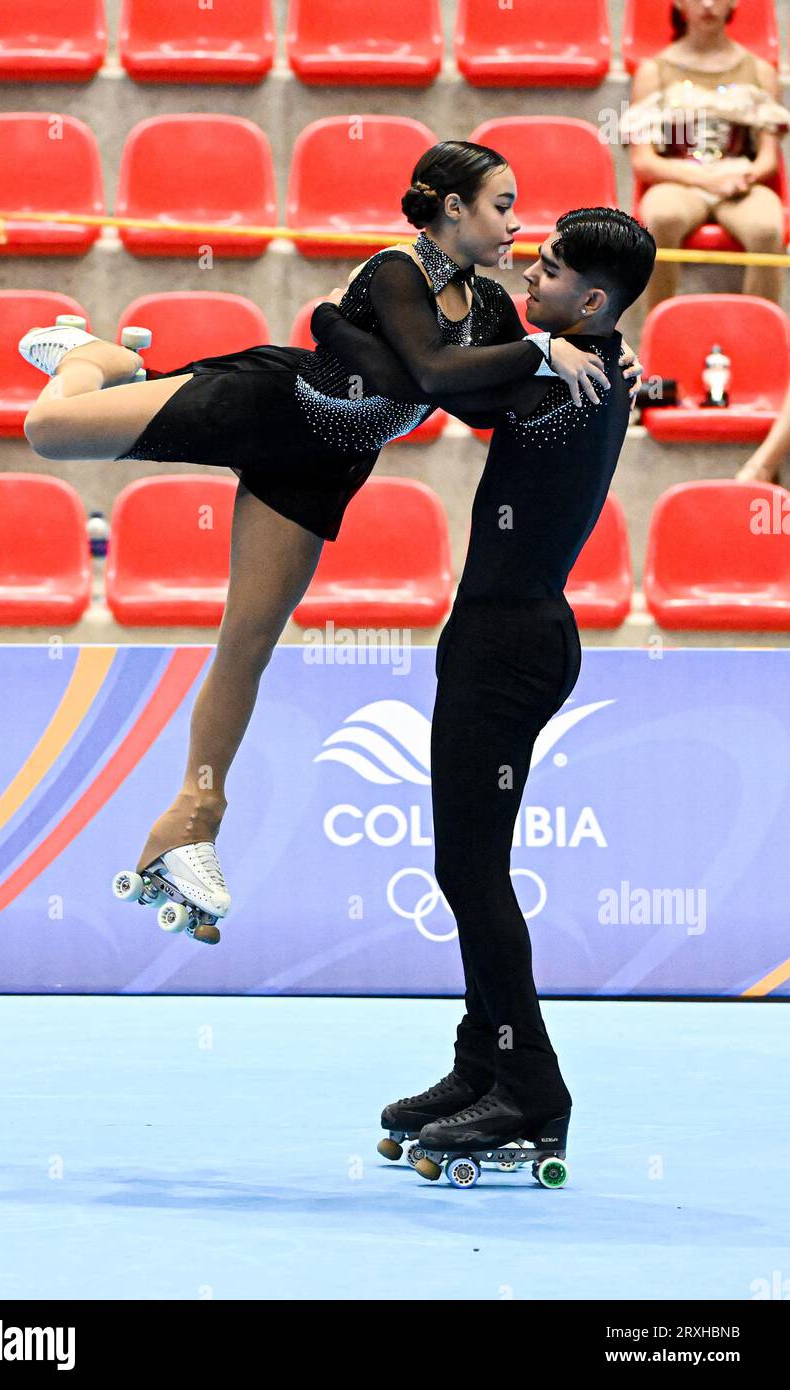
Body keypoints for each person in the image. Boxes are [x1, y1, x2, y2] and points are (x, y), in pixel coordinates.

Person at [20, 141, 639, 941]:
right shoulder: (394, 271)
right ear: (454, 209)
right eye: (502, 206)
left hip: (324, 463)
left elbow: (481, 404)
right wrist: (539, 351)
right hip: (270, 405)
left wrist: (596, 352)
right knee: (48, 429)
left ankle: (191, 824)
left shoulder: (488, 308)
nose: (516, 226)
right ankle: (89, 356)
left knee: (246, 641)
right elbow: (425, 374)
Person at [317, 208, 657, 1172]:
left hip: (511, 647)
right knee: (464, 869)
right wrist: (547, 340)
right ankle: (481, 1062)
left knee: (472, 873)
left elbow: (422, 380)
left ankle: (530, 1090)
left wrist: (329, 327)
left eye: (547, 269)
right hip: (505, 634)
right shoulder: (586, 355)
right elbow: (478, 362)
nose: (526, 275)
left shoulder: (558, 376)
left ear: (590, 301)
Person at [628, 0, 786, 313]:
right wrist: (707, 179)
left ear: (733, 3)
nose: (708, 4)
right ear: (679, 4)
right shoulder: (653, 71)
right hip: (678, 176)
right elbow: (643, 162)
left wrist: (743, 177)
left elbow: (769, 159)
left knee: (767, 227)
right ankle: (659, 330)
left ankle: (759, 335)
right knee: (662, 217)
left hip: (739, 178)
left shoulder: (760, 71)